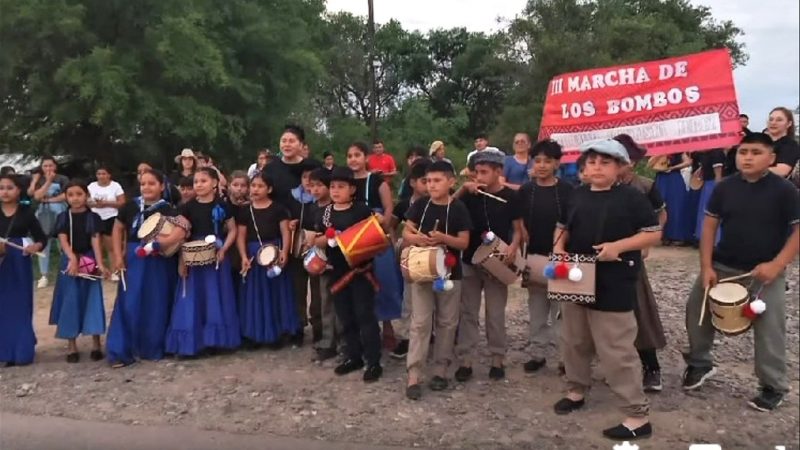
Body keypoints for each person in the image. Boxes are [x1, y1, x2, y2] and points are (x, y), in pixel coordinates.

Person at [683, 132, 800, 412]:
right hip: (723, 265)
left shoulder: (785, 191)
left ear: (771, 158)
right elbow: (710, 226)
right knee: (695, 310)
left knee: (770, 327)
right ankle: (700, 364)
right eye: (743, 152)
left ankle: (773, 385)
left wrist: (777, 265)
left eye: (755, 152)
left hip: (765, 271)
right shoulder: (725, 187)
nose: (747, 157)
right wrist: (706, 266)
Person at [552, 139, 660, 440]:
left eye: (606, 162)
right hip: (574, 273)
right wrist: (558, 248)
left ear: (621, 167)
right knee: (574, 339)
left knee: (616, 348)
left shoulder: (632, 198)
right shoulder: (576, 195)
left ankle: (637, 415)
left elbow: (653, 233)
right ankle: (576, 390)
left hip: (614, 280)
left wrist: (618, 247)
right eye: (592, 162)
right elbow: (563, 228)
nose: (597, 167)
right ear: (583, 167)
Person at [402, 161, 472, 400]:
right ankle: (414, 374)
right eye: (428, 181)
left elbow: (464, 243)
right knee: (420, 322)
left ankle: (440, 370)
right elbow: (406, 232)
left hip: (451, 273)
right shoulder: (421, 205)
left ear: (451, 182)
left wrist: (444, 238)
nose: (431, 185)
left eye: (437, 180)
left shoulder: (459, 207)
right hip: (422, 271)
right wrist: (418, 239)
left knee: (447, 322)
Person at [106, 170, 187, 367]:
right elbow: (117, 229)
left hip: (159, 261)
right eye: (143, 184)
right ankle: (121, 350)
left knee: (157, 301)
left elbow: (182, 231)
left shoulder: (168, 209)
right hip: (134, 258)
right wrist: (118, 255)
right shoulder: (130, 206)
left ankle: (153, 347)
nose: (147, 187)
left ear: (162, 186)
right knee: (128, 301)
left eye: (152, 183)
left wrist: (166, 243)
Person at [454, 150, 521, 382]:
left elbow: (518, 229)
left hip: (497, 261)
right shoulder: (470, 195)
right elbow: (446, 205)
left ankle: (497, 358)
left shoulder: (509, 197)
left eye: (484, 172)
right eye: (477, 172)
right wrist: (464, 188)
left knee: (495, 313)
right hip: (470, 259)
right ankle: (466, 359)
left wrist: (513, 247)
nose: (479, 176)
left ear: (498, 172)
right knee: (468, 312)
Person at [312, 167, 383, 382]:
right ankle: (353, 356)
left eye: (341, 187)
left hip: (361, 271)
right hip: (337, 272)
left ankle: (373, 361)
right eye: (332, 187)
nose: (335, 191)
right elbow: (316, 240)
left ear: (352, 189)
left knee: (365, 316)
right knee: (345, 316)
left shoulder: (361, 210)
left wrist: (378, 220)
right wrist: (329, 238)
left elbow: (376, 234)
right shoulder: (324, 213)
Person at [165, 168, 240, 356]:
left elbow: (232, 230)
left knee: (215, 296)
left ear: (214, 183)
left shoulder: (223, 206)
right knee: (193, 297)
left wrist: (224, 249)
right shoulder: (186, 207)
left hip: (216, 255)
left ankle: (215, 341)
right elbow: (182, 236)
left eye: (203, 181)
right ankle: (194, 342)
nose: (198, 185)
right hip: (193, 256)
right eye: (196, 181)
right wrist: (182, 260)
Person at [614, 134, 669, 392]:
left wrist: (646, 243)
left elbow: (661, 214)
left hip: (631, 258)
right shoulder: (599, 185)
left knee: (640, 311)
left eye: (619, 159)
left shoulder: (645, 186)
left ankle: (651, 367)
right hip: (602, 258)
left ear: (632, 163)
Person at [516, 139, 573, 373]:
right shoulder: (527, 190)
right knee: (537, 308)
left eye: (547, 161)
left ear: (557, 163)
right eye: (537, 160)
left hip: (561, 259)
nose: (541, 165)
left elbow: (573, 223)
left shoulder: (568, 191)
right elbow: (517, 217)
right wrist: (521, 231)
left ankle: (566, 359)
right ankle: (537, 354)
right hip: (535, 257)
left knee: (562, 312)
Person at [348, 142, 404, 348]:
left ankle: (388, 328)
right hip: (353, 237)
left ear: (366, 158)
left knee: (383, 282)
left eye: (357, 155)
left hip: (377, 236)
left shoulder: (377, 180)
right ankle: (363, 333)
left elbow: (389, 208)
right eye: (350, 155)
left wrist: (385, 227)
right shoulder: (345, 181)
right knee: (358, 285)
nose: (353, 159)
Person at [49, 180, 108, 363]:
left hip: (89, 258)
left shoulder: (94, 217)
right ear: (66, 197)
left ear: (86, 196)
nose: (75, 198)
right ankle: (71, 345)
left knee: (92, 299)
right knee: (70, 300)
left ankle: (96, 344)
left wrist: (100, 264)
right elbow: (63, 241)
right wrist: (72, 259)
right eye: (71, 195)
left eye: (79, 194)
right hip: (70, 260)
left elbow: (95, 242)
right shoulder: (63, 217)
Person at [236, 171, 297, 347]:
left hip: (274, 252)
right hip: (254, 255)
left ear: (269, 189)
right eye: (253, 185)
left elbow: (286, 232)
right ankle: (254, 335)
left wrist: (285, 251)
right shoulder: (245, 211)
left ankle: (277, 333)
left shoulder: (278, 209)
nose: (255, 189)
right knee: (255, 296)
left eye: (260, 186)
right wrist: (243, 256)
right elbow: (241, 236)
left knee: (275, 294)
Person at [0, 174, 46, 366]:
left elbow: (41, 238)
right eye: (1, 188)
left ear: (19, 190)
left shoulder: (26, 212)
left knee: (19, 306)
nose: (5, 192)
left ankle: (21, 349)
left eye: (9, 187)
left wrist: (35, 247)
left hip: (19, 263)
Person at [388, 159, 430, 359]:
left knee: (436, 297)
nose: (429, 185)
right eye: (424, 180)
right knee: (409, 298)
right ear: (412, 182)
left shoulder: (440, 203)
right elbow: (392, 225)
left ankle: (433, 336)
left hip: (434, 257)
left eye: (432, 180)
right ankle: (406, 338)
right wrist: (396, 242)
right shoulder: (404, 205)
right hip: (411, 258)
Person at [286, 158, 322, 346]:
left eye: (312, 177)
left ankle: (319, 328)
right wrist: (291, 222)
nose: (308, 180)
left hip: (317, 247)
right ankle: (298, 327)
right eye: (304, 176)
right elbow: (286, 218)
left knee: (317, 291)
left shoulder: (322, 199)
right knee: (298, 290)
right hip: (297, 246)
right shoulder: (293, 197)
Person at [307, 168, 339, 361]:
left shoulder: (337, 208)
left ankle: (344, 341)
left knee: (341, 302)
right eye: (312, 186)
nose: (316, 189)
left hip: (339, 259)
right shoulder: (313, 209)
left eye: (320, 185)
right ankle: (328, 341)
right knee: (324, 300)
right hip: (320, 260)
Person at [27, 156, 69, 289]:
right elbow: (36, 195)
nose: (48, 168)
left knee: (63, 243)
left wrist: (49, 200)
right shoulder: (39, 179)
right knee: (44, 243)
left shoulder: (62, 179)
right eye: (45, 166)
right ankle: (44, 275)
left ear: (55, 166)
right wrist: (46, 181)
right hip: (42, 215)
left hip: (60, 213)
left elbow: (66, 195)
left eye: (50, 165)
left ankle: (66, 270)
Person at [88, 166, 126, 279]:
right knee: (95, 246)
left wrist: (106, 203)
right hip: (95, 217)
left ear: (109, 175)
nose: (101, 176)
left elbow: (122, 202)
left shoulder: (115, 186)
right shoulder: (91, 186)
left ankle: (114, 270)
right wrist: (95, 204)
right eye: (99, 174)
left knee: (111, 246)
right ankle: (98, 270)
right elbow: (86, 201)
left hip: (111, 216)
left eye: (104, 173)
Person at [650, 153, 693, 245]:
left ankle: (676, 235)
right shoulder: (659, 150)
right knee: (661, 206)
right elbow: (650, 164)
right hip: (661, 179)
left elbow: (688, 162)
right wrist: (658, 155)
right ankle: (662, 235)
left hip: (674, 178)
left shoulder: (679, 151)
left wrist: (672, 168)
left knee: (676, 206)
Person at [690, 149, 725, 243]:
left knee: (712, 211)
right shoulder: (703, 154)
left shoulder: (716, 152)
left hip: (713, 184)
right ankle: (704, 237)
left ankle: (715, 239)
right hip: (707, 184)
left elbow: (718, 174)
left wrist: (718, 189)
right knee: (704, 211)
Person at [765, 107, 800, 179]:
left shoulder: (790, 145)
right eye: (771, 119)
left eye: (779, 120)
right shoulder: (761, 143)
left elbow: (782, 171)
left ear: (789, 123)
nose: (773, 123)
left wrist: (752, 171)